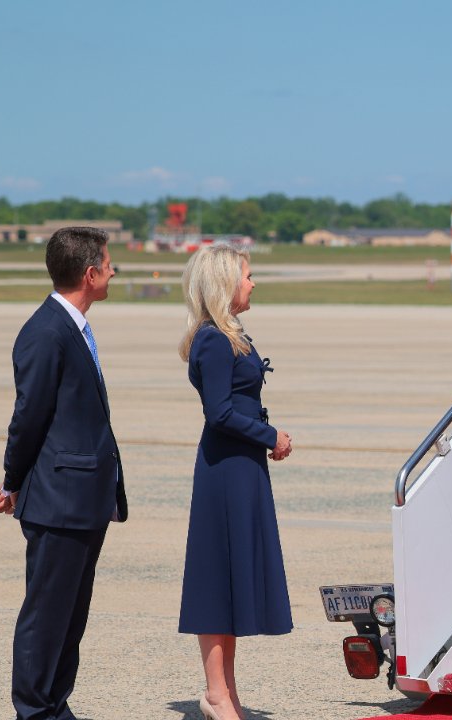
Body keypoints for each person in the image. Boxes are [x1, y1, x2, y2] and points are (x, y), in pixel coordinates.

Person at [0, 226, 128, 720]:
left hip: (83, 497)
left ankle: (54, 703)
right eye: (109, 263)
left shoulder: (72, 327)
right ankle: (34, 709)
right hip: (58, 497)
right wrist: (13, 480)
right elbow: (28, 416)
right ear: (89, 274)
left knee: (70, 616)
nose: (114, 270)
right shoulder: (46, 331)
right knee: (46, 614)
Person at [177, 245, 293, 720]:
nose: (253, 283)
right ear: (225, 282)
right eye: (247, 276)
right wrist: (271, 434)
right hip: (225, 469)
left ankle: (227, 690)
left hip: (242, 466)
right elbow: (219, 412)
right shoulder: (212, 340)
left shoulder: (231, 334)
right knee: (216, 580)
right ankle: (215, 693)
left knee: (231, 578)